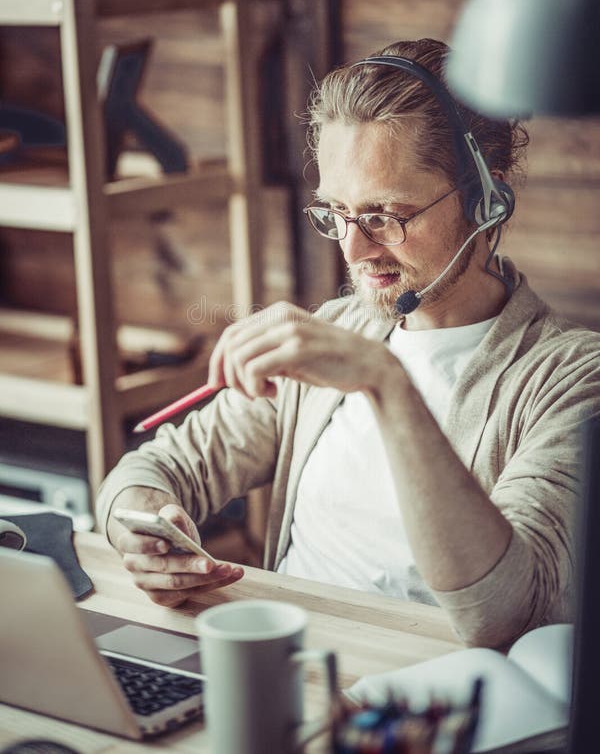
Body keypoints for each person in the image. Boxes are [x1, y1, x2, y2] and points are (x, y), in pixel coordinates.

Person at [97, 38, 600, 649]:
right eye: (337, 212)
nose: (354, 250)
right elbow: (158, 465)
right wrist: (143, 529)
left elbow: (504, 611)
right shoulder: (339, 331)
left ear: (485, 199)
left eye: (386, 214)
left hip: (424, 705)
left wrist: (384, 382)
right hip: (280, 664)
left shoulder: (573, 379)